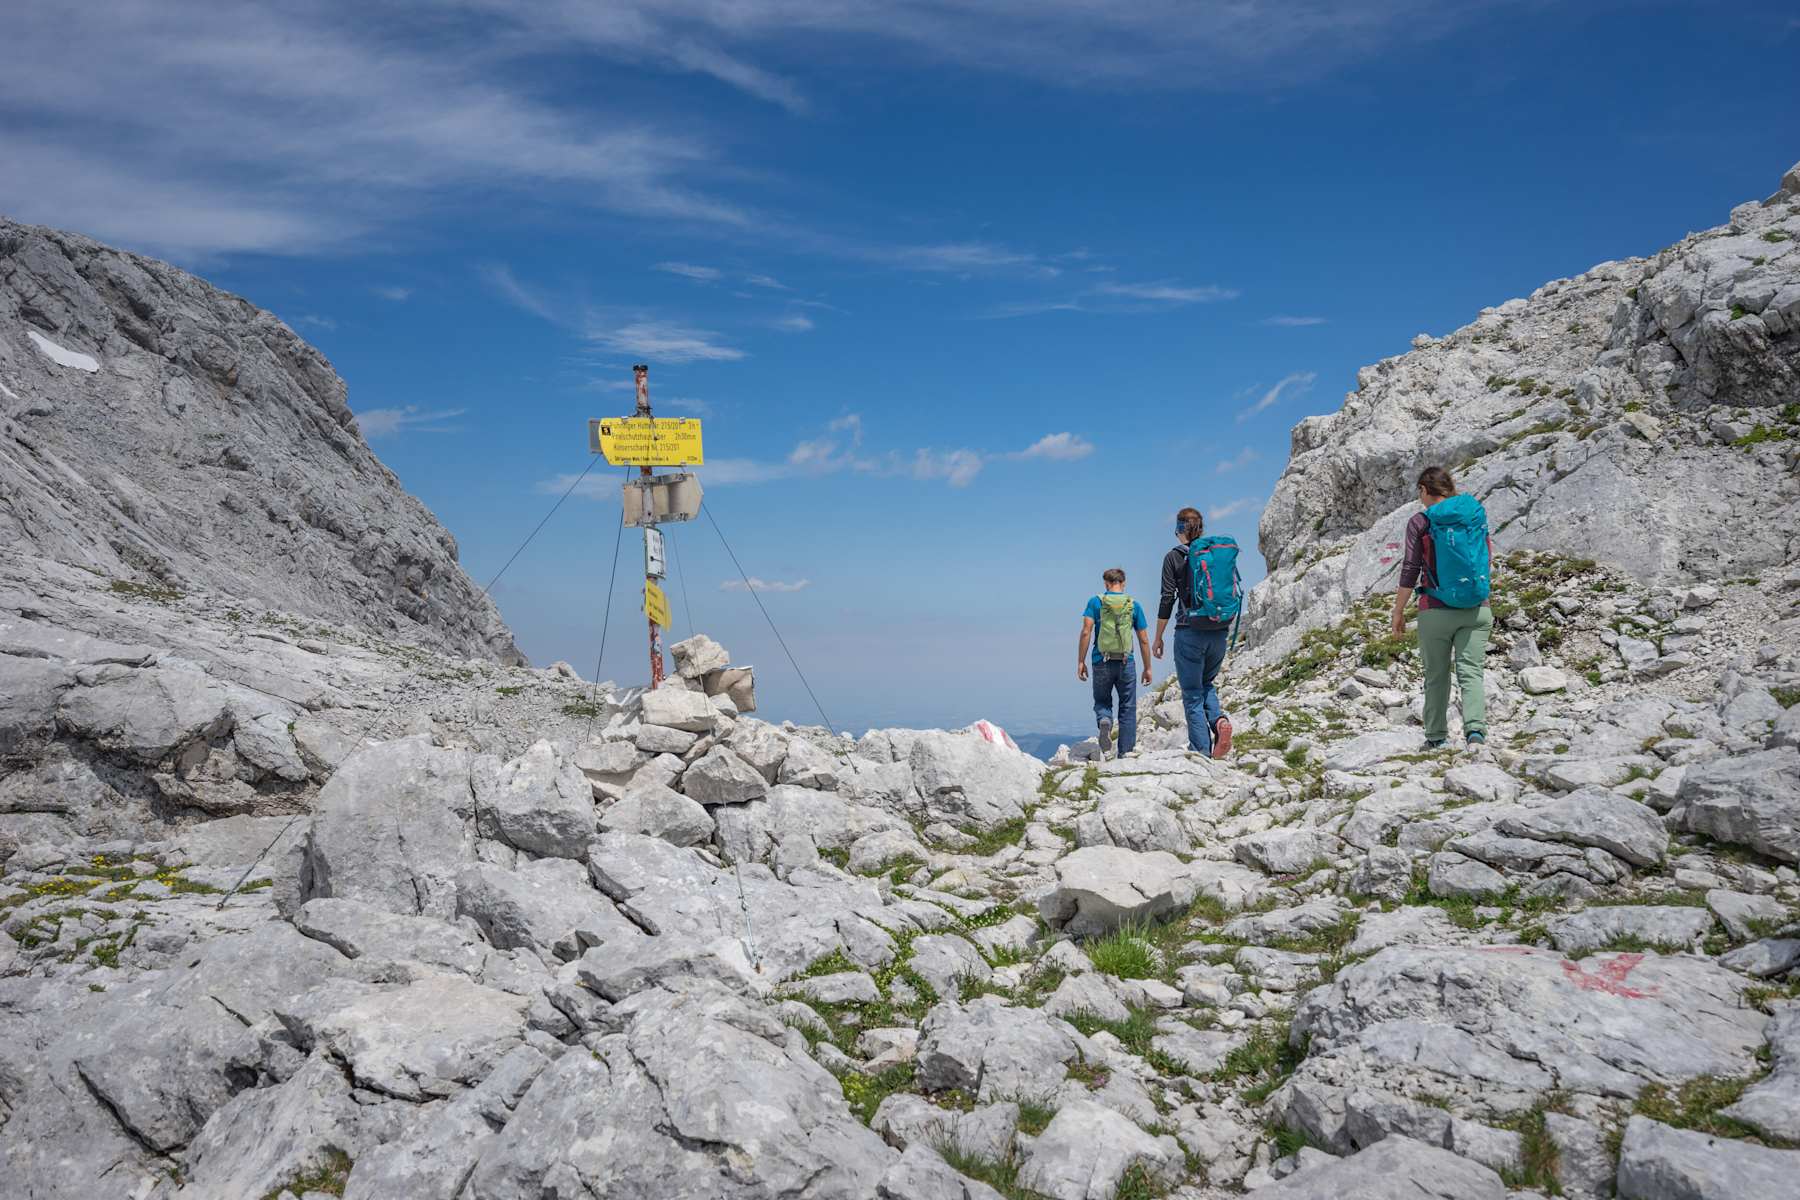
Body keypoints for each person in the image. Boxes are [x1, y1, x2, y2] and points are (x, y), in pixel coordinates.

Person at [1392, 466, 1494, 750]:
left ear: (1424, 489)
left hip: (1435, 609)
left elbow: (1411, 568)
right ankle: (1476, 734)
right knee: (1471, 672)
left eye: (1420, 493)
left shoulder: (1421, 521)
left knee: (1436, 676)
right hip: (1477, 608)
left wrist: (1398, 610)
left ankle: (1437, 737)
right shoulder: (1474, 514)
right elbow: (1486, 556)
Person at [1152, 507, 1236, 758]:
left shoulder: (1174, 557)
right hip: (1219, 629)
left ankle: (1200, 751)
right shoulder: (1215, 552)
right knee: (1206, 683)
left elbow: (1167, 598)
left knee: (1191, 693)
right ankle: (1219, 721)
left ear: (1180, 529)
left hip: (1189, 631)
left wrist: (1158, 636)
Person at [1078, 568, 1151, 758]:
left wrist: (1081, 661)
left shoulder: (1096, 602)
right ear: (1123, 583)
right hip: (1127, 661)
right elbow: (1143, 639)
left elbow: (1086, 631)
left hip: (1101, 660)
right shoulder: (1133, 605)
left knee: (1102, 701)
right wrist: (1147, 667)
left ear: (1106, 584)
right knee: (1127, 707)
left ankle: (1105, 720)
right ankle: (1125, 752)